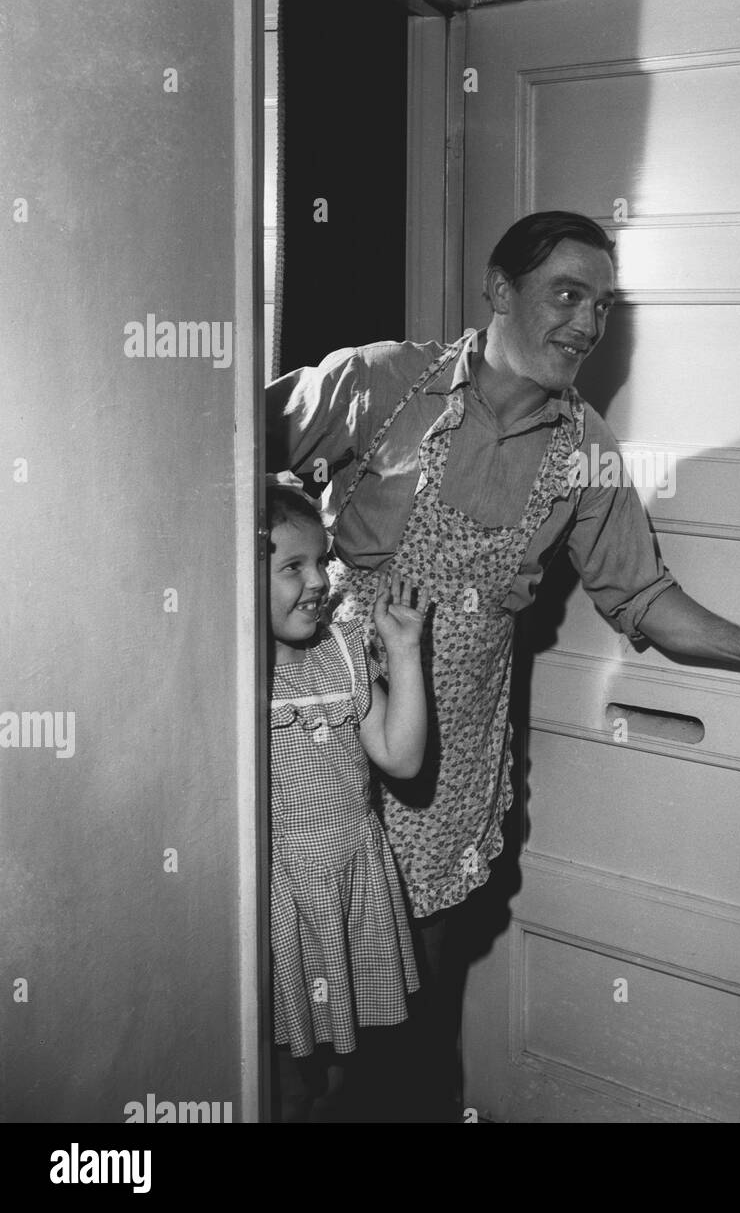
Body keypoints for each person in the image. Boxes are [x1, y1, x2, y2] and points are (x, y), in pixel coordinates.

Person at [267, 210, 740, 1119]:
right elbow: (212, 451)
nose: (585, 323)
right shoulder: (379, 385)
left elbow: (642, 598)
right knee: (305, 1036)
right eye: (566, 293)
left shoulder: (588, 454)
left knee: (412, 1034)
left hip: (443, 782)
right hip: (322, 754)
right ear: (498, 290)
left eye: (600, 305)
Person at [266, 481, 430, 1122]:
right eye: (292, 567)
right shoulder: (236, 669)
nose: (318, 581)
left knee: (347, 1065)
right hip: (284, 889)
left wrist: (405, 652)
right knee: (285, 1062)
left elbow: (402, 756)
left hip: (354, 878)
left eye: (321, 561)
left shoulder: (340, 651)